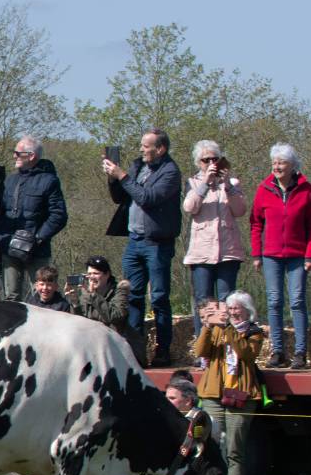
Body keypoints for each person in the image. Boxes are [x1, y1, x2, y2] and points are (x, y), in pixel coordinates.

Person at [104, 128, 182, 367]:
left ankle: (163, 350)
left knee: (158, 297)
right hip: (134, 241)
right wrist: (113, 177)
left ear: (160, 149)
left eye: (146, 146)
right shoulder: (138, 166)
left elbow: (148, 198)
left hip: (157, 242)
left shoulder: (170, 171)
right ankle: (134, 350)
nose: (141, 149)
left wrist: (123, 176)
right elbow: (121, 198)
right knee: (132, 297)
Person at [251, 143, 311, 369]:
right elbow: (255, 224)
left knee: (297, 301)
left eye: (282, 163)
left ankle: (300, 352)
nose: (277, 167)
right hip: (271, 255)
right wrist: (256, 253)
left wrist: (310, 256)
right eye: (274, 163)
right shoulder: (264, 189)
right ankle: (277, 351)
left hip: (298, 255)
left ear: (292, 166)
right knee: (274, 301)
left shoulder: (306, 189)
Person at [194, 292, 264, 475]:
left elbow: (247, 354)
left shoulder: (254, 332)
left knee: (234, 447)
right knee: (213, 444)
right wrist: (207, 327)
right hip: (213, 393)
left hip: (241, 393)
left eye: (237, 309)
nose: (233, 313)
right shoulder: (216, 330)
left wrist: (229, 329)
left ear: (247, 311)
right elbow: (200, 351)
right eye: (230, 309)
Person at [182, 141, 247, 339]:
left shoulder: (232, 184)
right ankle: (204, 345)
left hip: (228, 252)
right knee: (204, 301)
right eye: (206, 160)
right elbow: (190, 207)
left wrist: (227, 186)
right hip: (201, 254)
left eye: (215, 159)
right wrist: (205, 184)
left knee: (227, 300)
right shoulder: (192, 183)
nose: (211, 163)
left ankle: (227, 344)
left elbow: (240, 210)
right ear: (198, 163)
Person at [0, 135, 68, 302]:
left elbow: (59, 215)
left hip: (37, 250)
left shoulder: (49, 181)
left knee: (39, 296)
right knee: (10, 297)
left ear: (31, 156)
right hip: (9, 247)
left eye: (18, 153)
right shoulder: (10, 180)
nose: (14, 156)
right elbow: (1, 210)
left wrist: (37, 238)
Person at [135, 377, 212, 475]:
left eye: (172, 398)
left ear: (188, 401)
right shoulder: (175, 420)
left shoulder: (200, 422)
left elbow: (197, 455)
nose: (166, 402)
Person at [67, 256, 145, 365]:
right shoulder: (86, 293)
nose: (91, 277)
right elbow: (82, 322)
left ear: (107, 274)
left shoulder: (120, 290)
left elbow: (115, 316)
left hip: (120, 347)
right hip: (96, 345)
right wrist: (75, 304)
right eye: (89, 274)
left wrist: (93, 295)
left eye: (96, 273)